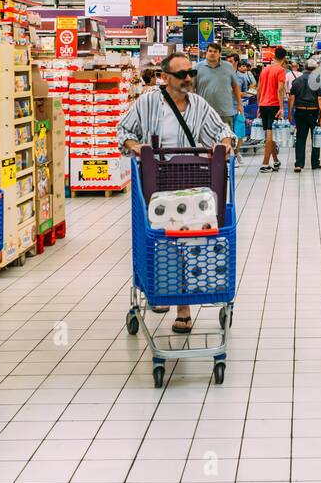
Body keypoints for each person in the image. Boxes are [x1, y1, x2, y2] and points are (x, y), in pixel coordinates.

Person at [118, 51, 233, 335]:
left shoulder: (200, 105)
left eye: (191, 73)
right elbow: (123, 130)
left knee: (189, 240)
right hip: (156, 184)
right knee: (161, 239)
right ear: (165, 77)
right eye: (181, 74)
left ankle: (183, 307)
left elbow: (222, 130)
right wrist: (135, 147)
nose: (188, 79)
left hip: (193, 184)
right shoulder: (147, 103)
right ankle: (161, 290)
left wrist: (227, 143)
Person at [195, 42, 242, 146]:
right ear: (206, 53)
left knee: (226, 140)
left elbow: (235, 86)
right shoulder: (197, 67)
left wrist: (239, 104)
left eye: (215, 51)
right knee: (206, 142)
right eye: (210, 51)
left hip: (225, 111)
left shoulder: (228, 66)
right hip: (204, 112)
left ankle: (225, 161)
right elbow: (191, 89)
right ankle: (209, 161)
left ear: (219, 54)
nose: (212, 53)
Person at [288, 58, 321, 172]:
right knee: (316, 137)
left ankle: (299, 164)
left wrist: (289, 113)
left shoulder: (296, 81)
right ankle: (315, 163)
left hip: (299, 112)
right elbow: (320, 99)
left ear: (304, 67)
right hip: (314, 112)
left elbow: (291, 98)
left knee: (300, 138)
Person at [257, 46, 288, 173]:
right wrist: (281, 108)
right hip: (273, 105)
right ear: (284, 58)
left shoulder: (264, 69)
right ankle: (265, 164)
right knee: (270, 134)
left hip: (263, 104)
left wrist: (259, 106)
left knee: (270, 133)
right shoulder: (280, 70)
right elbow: (280, 90)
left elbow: (259, 88)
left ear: (274, 55)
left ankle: (275, 160)